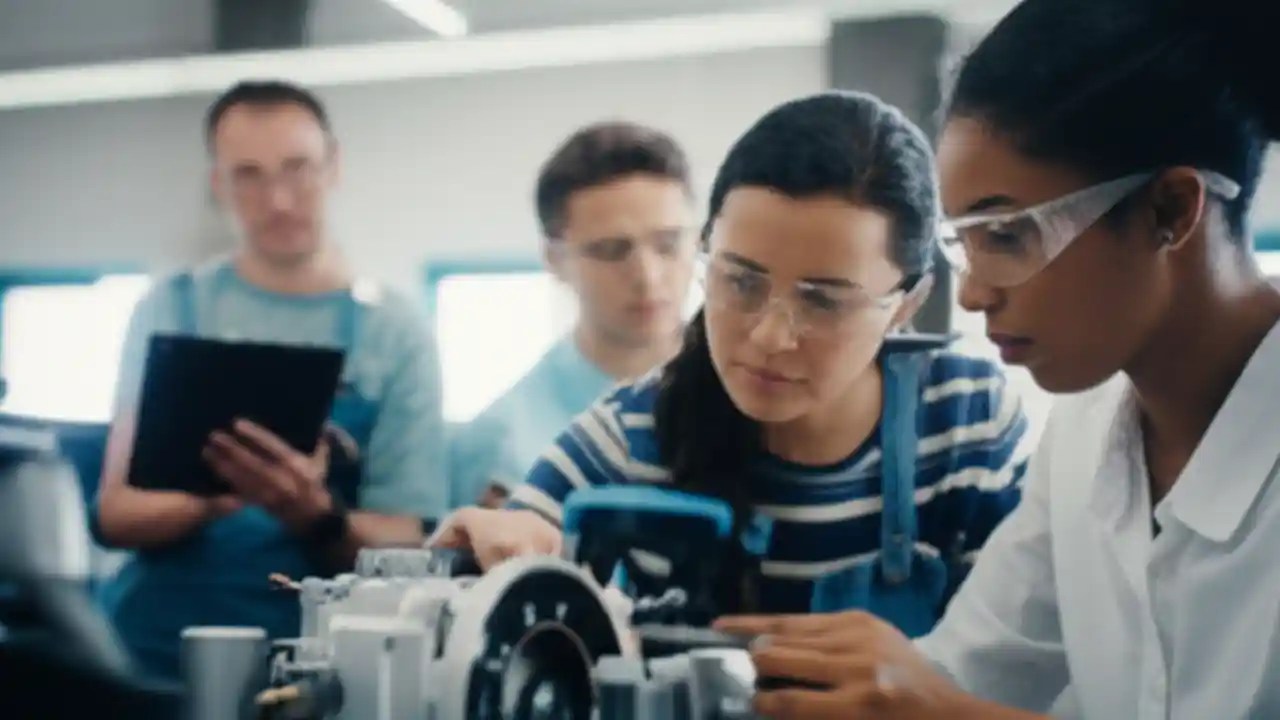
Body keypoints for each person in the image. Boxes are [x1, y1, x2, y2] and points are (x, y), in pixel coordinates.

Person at [713, 0, 1280, 718]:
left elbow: (948, 705)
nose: (976, 293)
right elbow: (964, 671)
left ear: (1170, 211)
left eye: (1009, 236)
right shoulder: (1084, 437)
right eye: (965, 244)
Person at [433, 92, 1032, 626]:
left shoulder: (968, 423)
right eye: (740, 282)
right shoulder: (630, 434)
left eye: (823, 301)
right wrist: (483, 552)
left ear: (907, 305)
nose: (770, 337)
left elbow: (1031, 667)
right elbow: (484, 581)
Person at [94, 80, 447, 681]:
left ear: (334, 166)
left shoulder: (395, 331)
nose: (279, 199)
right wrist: (216, 493)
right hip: (149, 650)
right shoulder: (170, 309)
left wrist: (315, 514)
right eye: (248, 175)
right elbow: (118, 512)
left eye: (298, 168)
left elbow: (405, 545)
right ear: (218, 186)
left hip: (313, 661)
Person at [448, 122, 696, 507]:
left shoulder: (760, 399)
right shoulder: (501, 445)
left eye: (668, 244)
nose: (648, 276)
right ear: (555, 260)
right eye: (612, 250)